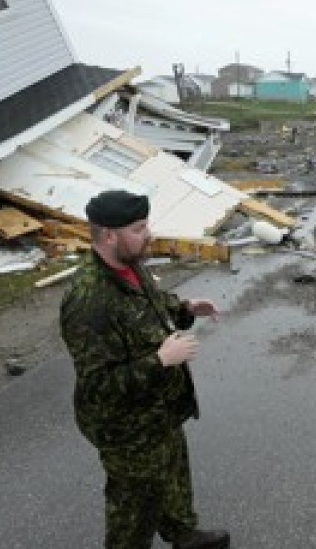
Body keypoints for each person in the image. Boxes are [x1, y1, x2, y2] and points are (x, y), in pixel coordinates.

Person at [60, 189, 229, 549]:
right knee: (133, 510)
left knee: (172, 476)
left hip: (158, 411)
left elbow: (151, 307)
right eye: (138, 228)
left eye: (146, 225)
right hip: (127, 429)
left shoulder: (128, 264)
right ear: (108, 235)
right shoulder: (88, 301)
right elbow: (97, 387)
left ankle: (185, 534)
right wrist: (160, 361)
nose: (148, 234)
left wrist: (185, 308)